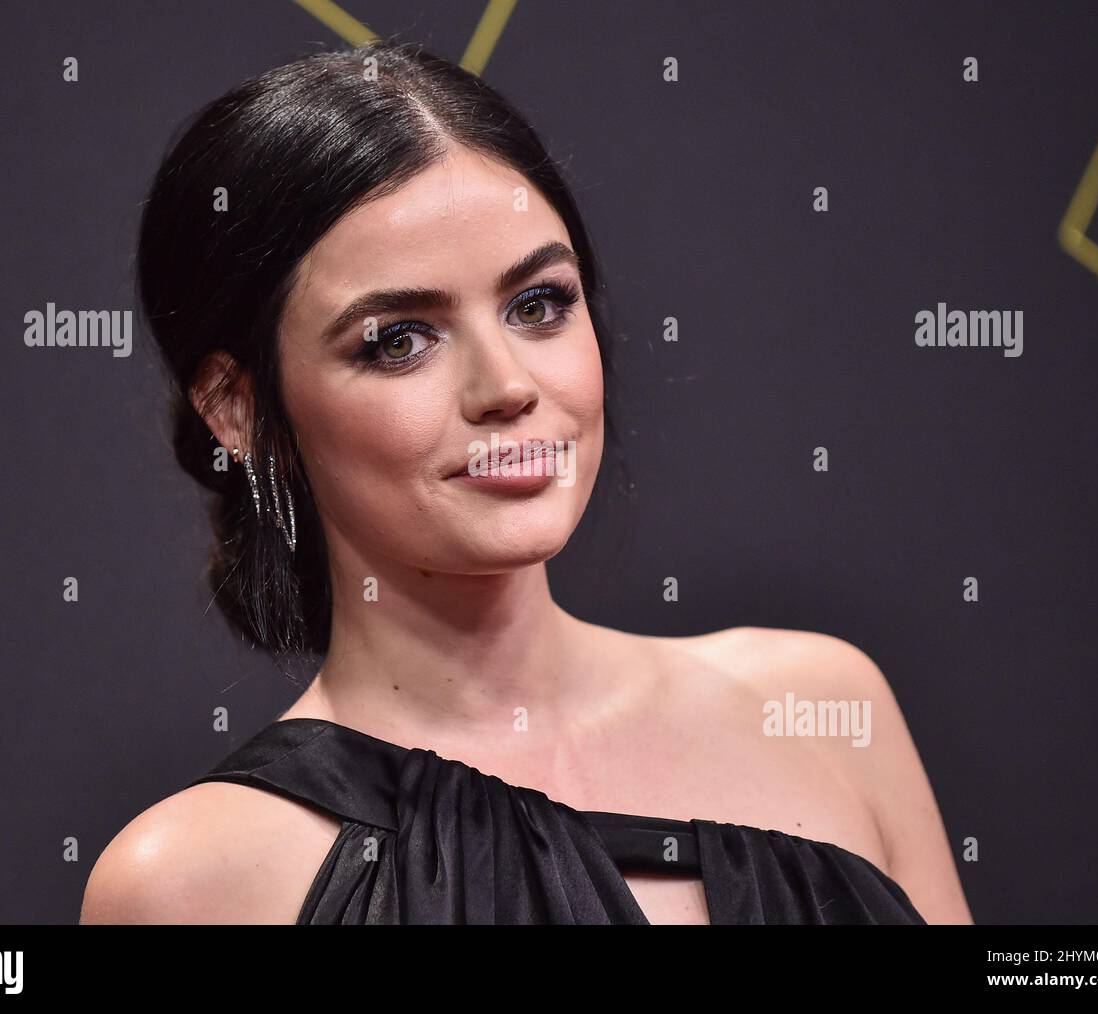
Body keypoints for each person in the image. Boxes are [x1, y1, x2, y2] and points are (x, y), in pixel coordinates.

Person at [80, 39, 972, 925]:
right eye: (400, 339)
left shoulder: (821, 708)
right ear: (237, 410)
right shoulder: (192, 883)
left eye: (538, 305)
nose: (507, 386)